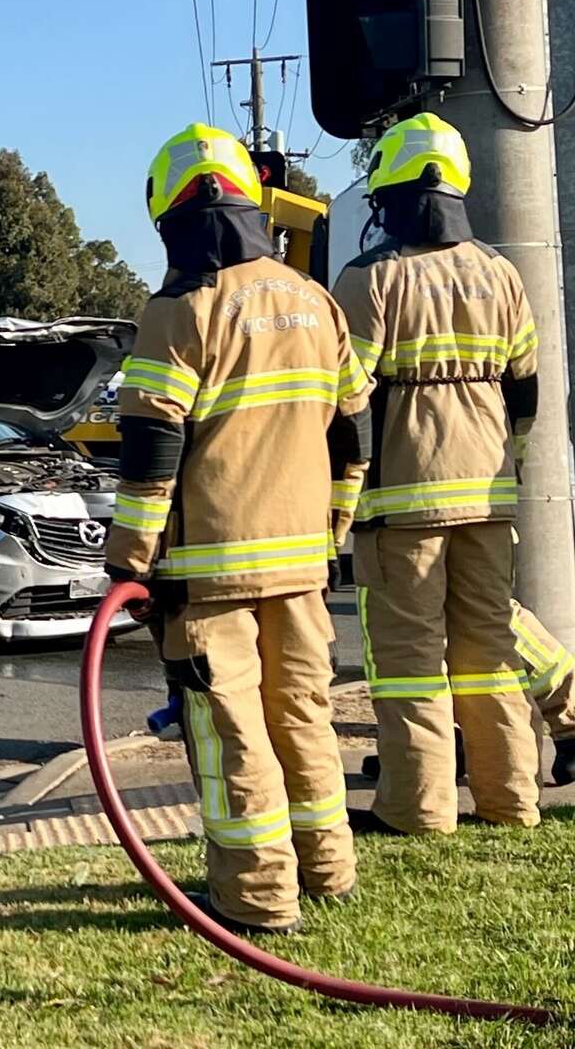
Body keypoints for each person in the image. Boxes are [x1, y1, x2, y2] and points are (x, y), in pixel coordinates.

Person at [106, 123, 372, 935]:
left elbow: (153, 449)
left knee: (232, 729)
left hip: (209, 575)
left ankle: (255, 893)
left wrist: (131, 562)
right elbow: (352, 433)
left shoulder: (181, 311)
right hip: (300, 566)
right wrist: (332, 527)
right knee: (303, 712)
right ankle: (326, 865)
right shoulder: (315, 302)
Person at [333, 113, 564, 832]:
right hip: (490, 501)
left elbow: (347, 406)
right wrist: (511, 473)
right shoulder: (502, 274)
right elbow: (525, 391)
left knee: (410, 668)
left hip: (403, 509)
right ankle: (511, 802)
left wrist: (341, 503)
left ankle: (418, 810)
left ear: (393, 194)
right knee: (490, 655)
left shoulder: (372, 279)